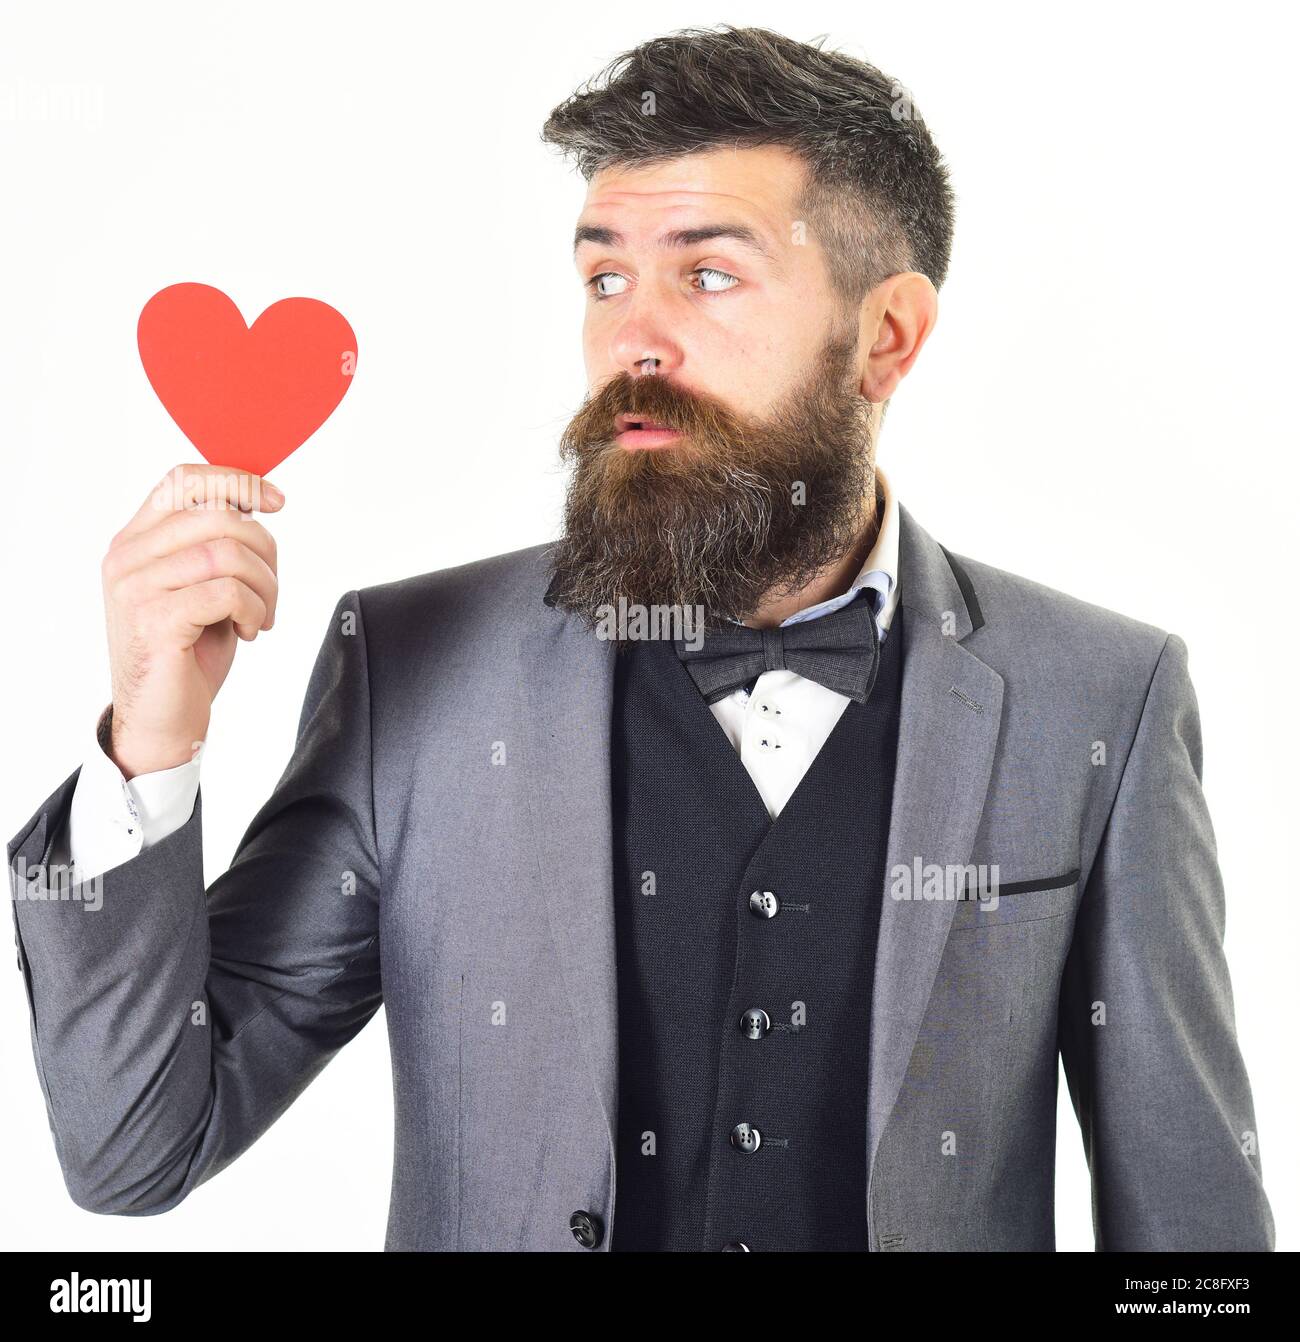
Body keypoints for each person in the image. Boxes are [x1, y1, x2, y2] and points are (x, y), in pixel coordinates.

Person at [7, 25, 1273, 1251]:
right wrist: (149, 740)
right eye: (605, 278)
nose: (630, 340)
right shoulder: (412, 673)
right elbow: (135, 1149)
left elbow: (1192, 1231)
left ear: (885, 336)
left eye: (707, 274)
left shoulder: (1099, 699)